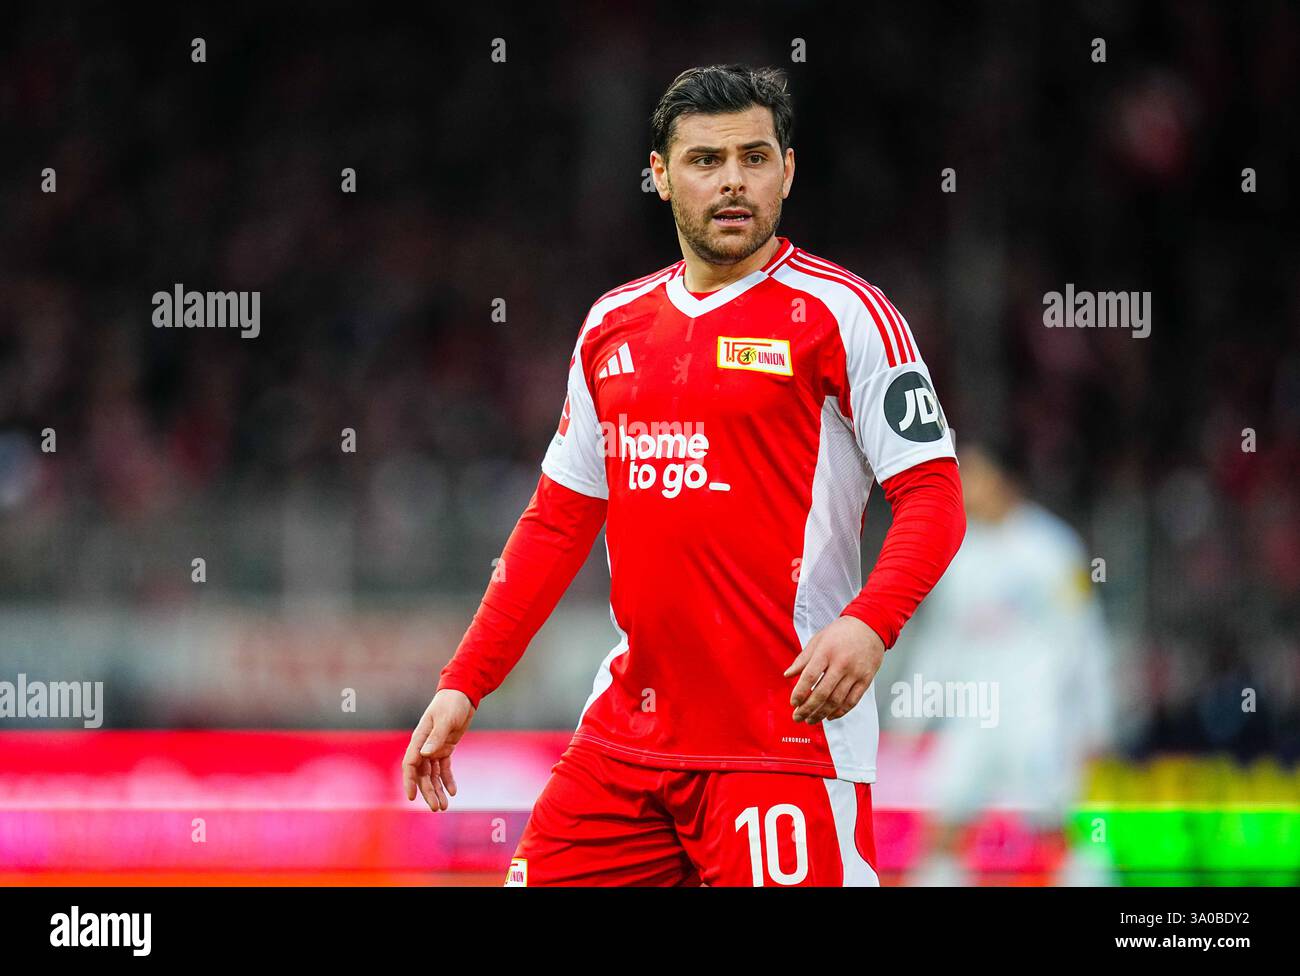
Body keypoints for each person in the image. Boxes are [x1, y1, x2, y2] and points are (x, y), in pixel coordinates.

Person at [403, 63, 967, 886]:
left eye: (754, 157)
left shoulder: (845, 316)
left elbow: (933, 496)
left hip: (782, 744)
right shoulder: (611, 325)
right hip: (626, 742)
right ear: (661, 177)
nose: (733, 181)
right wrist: (464, 684)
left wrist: (869, 624)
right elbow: (557, 524)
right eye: (706, 161)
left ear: (788, 169)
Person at [897, 442, 1116, 886]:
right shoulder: (958, 554)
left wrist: (1096, 721)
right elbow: (942, 642)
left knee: (1053, 826)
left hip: (1036, 711)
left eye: (974, 475)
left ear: (1003, 479)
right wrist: (910, 716)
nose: (965, 487)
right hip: (973, 711)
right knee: (943, 820)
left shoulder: (1051, 548)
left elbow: (1084, 638)